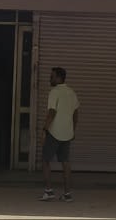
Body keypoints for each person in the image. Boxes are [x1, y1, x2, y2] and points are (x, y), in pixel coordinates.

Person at [40, 66, 79, 202]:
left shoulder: (54, 92)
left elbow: (52, 112)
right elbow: (75, 114)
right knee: (65, 162)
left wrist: (45, 129)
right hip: (67, 133)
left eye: (52, 76)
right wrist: (73, 130)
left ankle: (49, 191)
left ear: (59, 78)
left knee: (45, 160)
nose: (49, 79)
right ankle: (67, 194)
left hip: (54, 132)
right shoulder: (72, 92)